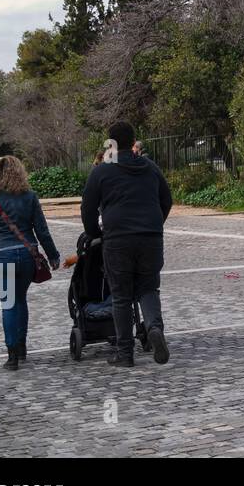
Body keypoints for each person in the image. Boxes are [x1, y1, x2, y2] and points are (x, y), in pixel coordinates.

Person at [81, 122, 173, 367]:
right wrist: (156, 223)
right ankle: (154, 328)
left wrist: (93, 232)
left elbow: (88, 207)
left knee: (121, 295)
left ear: (110, 143)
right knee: (148, 288)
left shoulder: (101, 171)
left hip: (118, 239)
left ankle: (124, 353)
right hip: (150, 237)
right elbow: (167, 198)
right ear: (133, 141)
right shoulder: (150, 168)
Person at [0, 156, 61, 370]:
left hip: (2, 256)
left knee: (9, 304)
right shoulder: (29, 197)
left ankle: (12, 355)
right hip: (28, 255)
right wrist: (53, 255)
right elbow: (42, 230)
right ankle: (22, 346)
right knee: (21, 300)